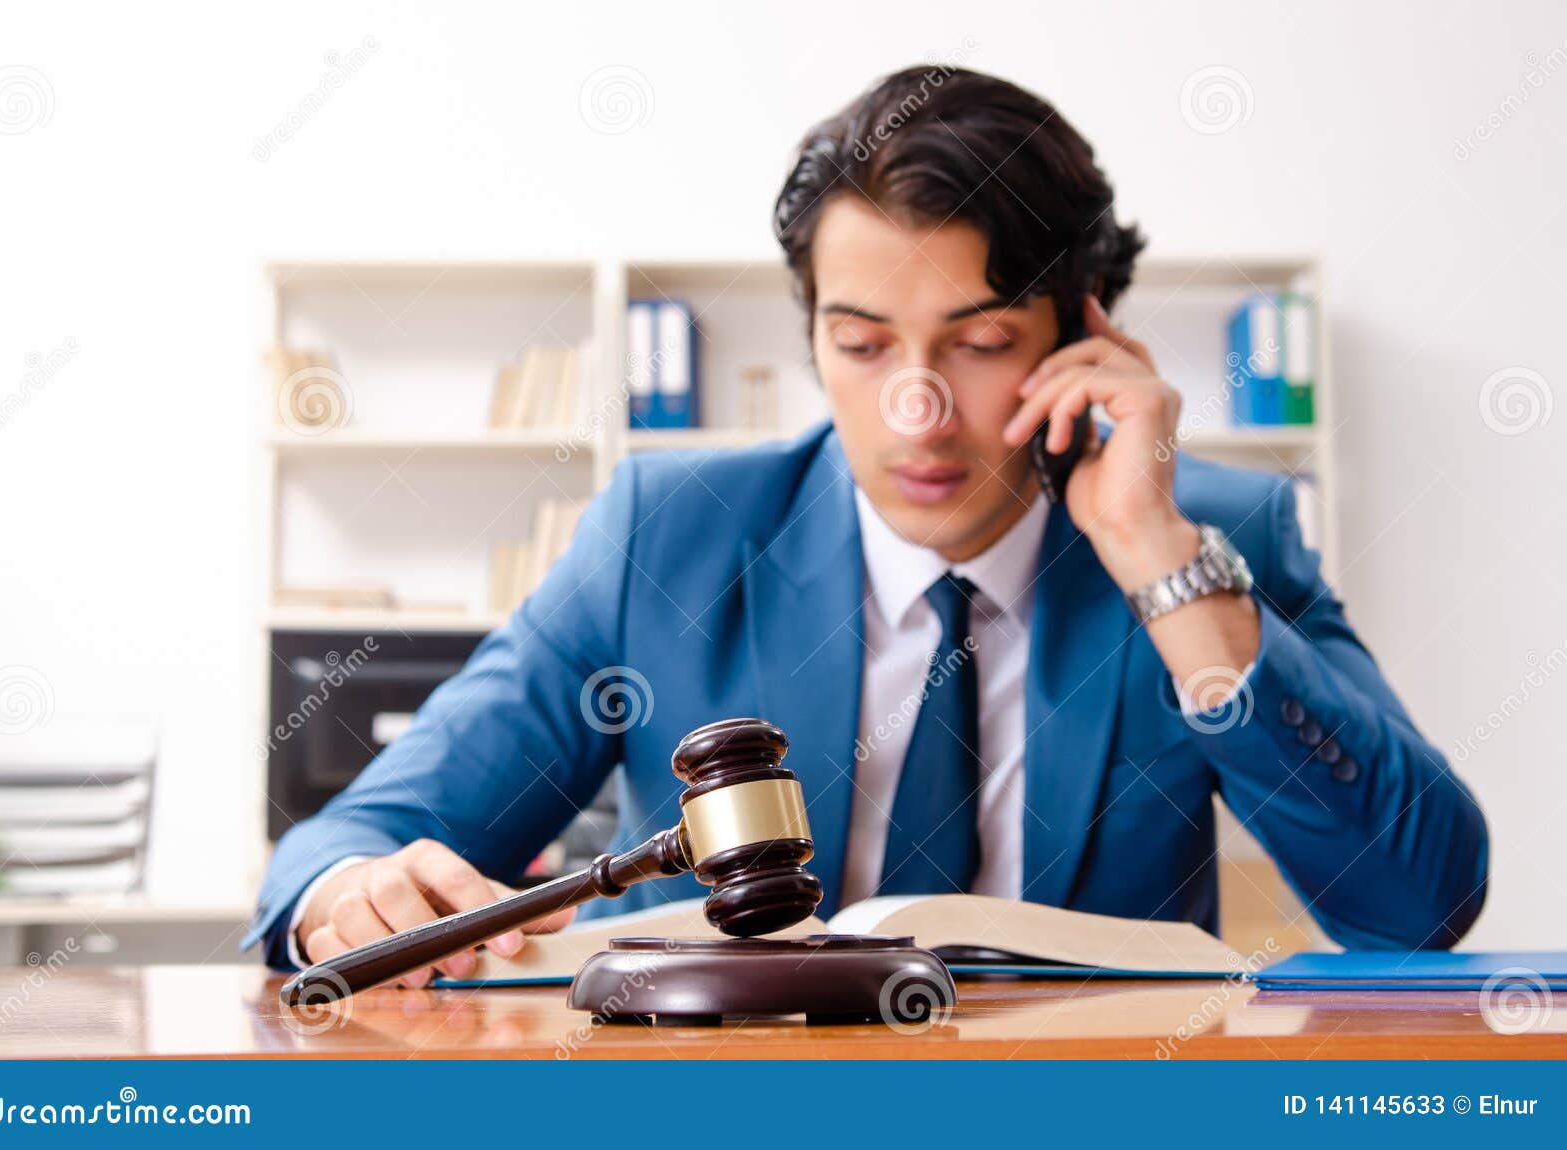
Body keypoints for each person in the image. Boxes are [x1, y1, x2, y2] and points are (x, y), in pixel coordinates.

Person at [244, 66, 1488, 984]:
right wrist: (348, 892)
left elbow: (1416, 908)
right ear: (813, 339)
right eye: (860, 343)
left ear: (1082, 333)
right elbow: (346, 839)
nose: (918, 408)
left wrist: (1159, 562)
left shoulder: (1211, 541)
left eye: (984, 341)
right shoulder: (665, 539)